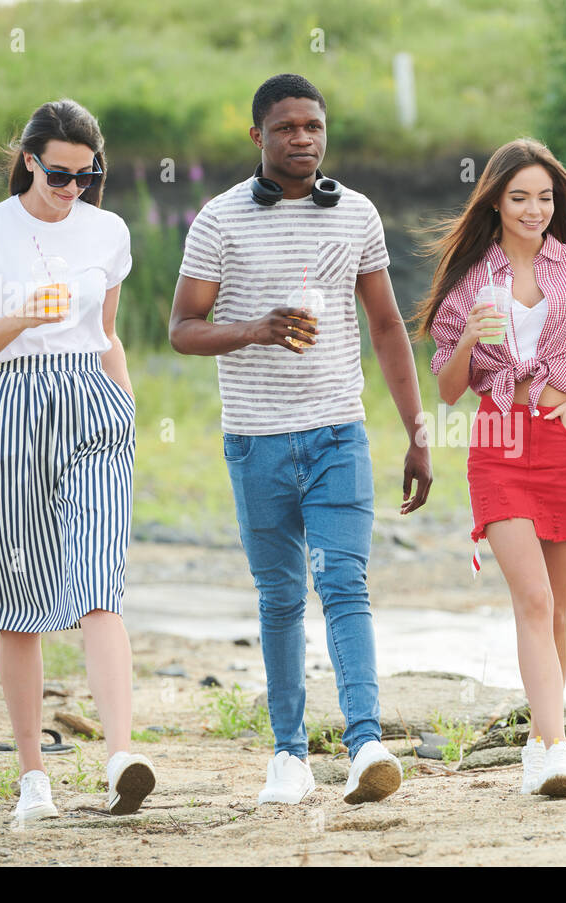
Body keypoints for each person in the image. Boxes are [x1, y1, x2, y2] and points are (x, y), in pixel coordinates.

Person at [169, 74, 432, 806]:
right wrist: (253, 328)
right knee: (281, 596)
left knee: (344, 585)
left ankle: (366, 743)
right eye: (286, 127)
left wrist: (417, 433)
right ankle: (287, 754)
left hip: (338, 437)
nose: (302, 139)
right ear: (258, 136)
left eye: (314, 126)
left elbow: (385, 327)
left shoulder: (356, 214)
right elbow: (181, 329)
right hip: (254, 443)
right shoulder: (219, 220)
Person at [0, 99, 156, 823]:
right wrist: (23, 316)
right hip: (13, 405)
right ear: (31, 161)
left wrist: (126, 411)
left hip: (94, 402)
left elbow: (109, 333)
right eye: (60, 174)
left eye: (86, 175)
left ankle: (121, 757)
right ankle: (33, 777)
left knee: (100, 580)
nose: (73, 188)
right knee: (23, 599)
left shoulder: (109, 231)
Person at [418, 138, 566, 797]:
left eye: (545, 198)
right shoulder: (471, 280)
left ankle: (541, 742)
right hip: (500, 444)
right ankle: (559, 748)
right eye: (520, 198)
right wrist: (475, 341)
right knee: (532, 598)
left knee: (558, 608)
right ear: (496, 202)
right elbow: (449, 387)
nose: (535, 209)